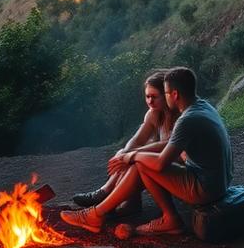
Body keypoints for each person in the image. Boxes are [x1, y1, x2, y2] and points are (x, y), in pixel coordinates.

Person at [62, 66, 233, 235]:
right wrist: (130, 154)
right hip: (217, 181)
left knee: (142, 164)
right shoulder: (203, 106)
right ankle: (102, 211)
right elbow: (152, 144)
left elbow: (160, 163)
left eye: (165, 93)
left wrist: (132, 155)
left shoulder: (187, 120)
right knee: (140, 162)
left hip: (205, 188)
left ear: (174, 95)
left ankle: (97, 214)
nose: (160, 99)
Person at [70, 71, 177, 215]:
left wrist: (131, 155)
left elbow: (169, 144)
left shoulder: (179, 115)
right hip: (160, 159)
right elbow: (137, 139)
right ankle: (123, 200)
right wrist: (125, 153)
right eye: (147, 96)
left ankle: (105, 194)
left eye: (154, 96)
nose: (150, 101)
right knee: (124, 154)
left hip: (176, 164)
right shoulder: (153, 113)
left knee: (134, 159)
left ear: (166, 95)